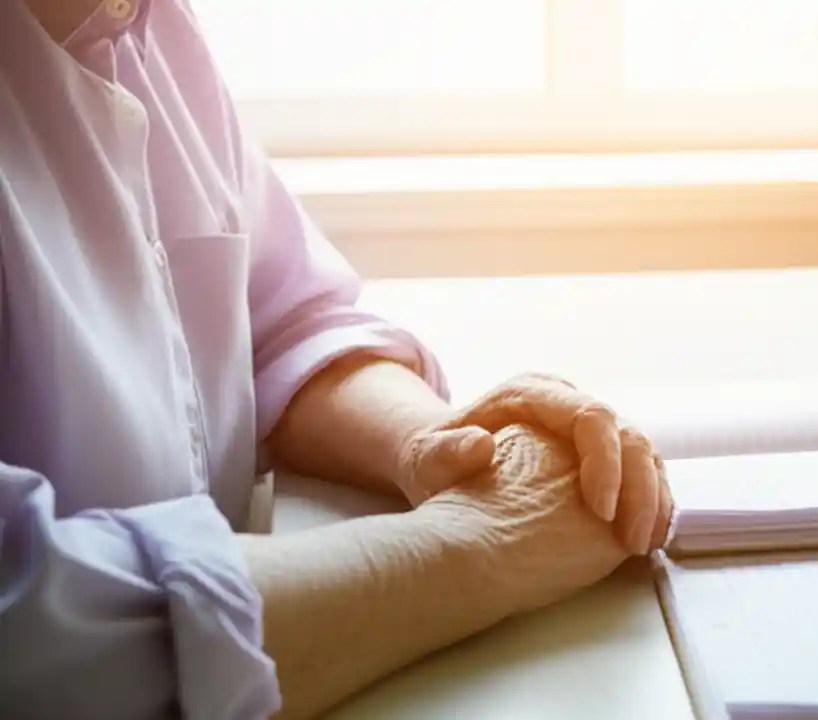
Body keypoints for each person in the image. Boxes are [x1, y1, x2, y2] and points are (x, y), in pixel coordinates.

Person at [0, 0, 673, 716]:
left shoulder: (148, 27)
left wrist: (435, 441)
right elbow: (32, 625)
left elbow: (285, 321)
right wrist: (476, 545)